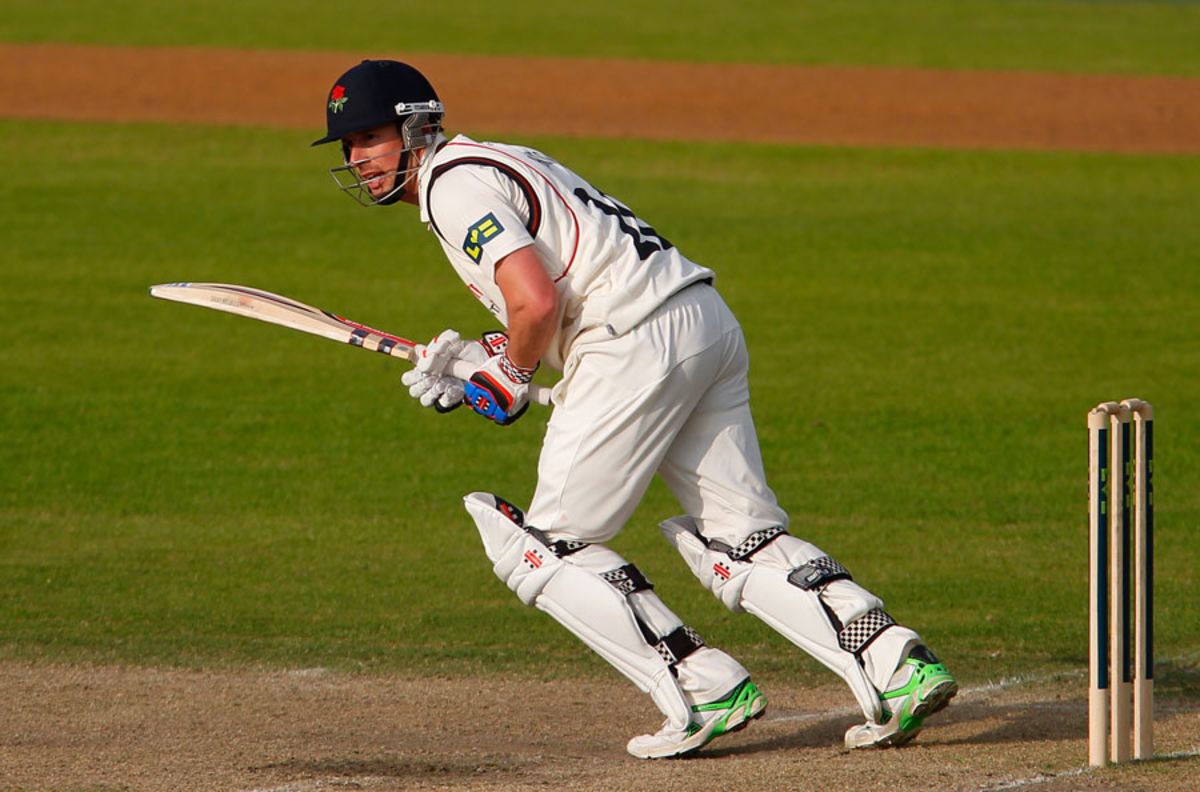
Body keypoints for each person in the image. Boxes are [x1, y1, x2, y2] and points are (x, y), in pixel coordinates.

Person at [312, 59, 957, 758]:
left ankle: (699, 685)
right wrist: (485, 357)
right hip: (700, 320)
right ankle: (897, 666)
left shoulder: (452, 185)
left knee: (548, 548)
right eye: (349, 147)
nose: (359, 159)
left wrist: (512, 371)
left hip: (628, 342)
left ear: (415, 127)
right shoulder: (496, 159)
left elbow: (538, 301)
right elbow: (556, 285)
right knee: (741, 535)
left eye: (370, 138)